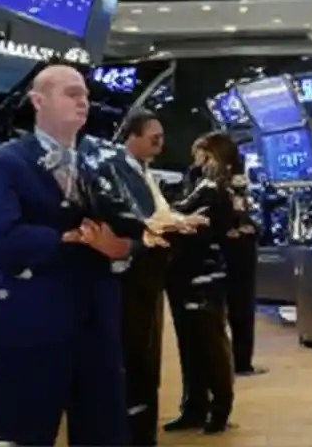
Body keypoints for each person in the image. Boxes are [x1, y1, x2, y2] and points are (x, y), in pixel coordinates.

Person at [0, 64, 134, 445]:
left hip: (98, 325)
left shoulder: (107, 164)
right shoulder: (2, 163)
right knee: (25, 435)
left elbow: (135, 231)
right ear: (38, 101)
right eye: (71, 93)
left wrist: (121, 248)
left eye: (85, 95)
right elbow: (4, 240)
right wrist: (71, 239)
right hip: (34, 327)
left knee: (105, 436)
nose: (83, 102)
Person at [163, 132, 240, 435]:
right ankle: (195, 407)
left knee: (209, 344)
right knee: (192, 344)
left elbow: (179, 212)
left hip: (202, 275)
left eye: (199, 152)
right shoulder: (202, 184)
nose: (194, 158)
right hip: (190, 275)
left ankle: (217, 409)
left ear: (210, 154)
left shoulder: (212, 189)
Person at [106, 111, 173, 445]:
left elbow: (156, 216)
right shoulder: (115, 169)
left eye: (161, 137)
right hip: (130, 275)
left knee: (146, 357)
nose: (160, 143)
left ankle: (144, 431)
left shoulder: (144, 171)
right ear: (132, 135)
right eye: (153, 137)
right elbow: (132, 221)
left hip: (150, 274)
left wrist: (175, 222)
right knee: (133, 359)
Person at [222, 174, 264, 377]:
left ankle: (241, 361)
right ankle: (240, 363)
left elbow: (256, 228)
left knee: (241, 314)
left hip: (240, 263)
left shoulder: (244, 203)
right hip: (237, 264)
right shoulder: (223, 202)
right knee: (240, 313)